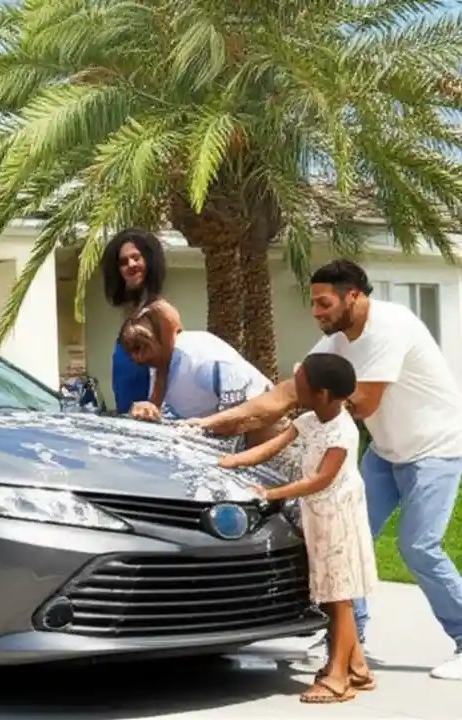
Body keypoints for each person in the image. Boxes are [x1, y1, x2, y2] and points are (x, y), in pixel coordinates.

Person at [191, 259, 462, 681]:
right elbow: (285, 393)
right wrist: (208, 423)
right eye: (313, 303)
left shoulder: (390, 327)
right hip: (388, 453)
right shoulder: (337, 341)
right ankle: (349, 639)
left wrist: (304, 401)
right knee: (349, 542)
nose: (316, 312)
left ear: (354, 295)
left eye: (324, 303)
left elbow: (363, 403)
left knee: (418, 547)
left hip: (435, 449)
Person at [219, 353, 377, 703]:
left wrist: (271, 493)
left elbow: (320, 480)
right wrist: (230, 462)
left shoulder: (342, 432)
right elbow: (269, 447)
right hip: (319, 516)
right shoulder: (310, 419)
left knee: (340, 599)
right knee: (331, 594)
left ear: (321, 393)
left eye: (301, 381)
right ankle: (358, 669)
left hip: (338, 516)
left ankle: (338, 678)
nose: (293, 386)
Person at [118, 309, 273, 434]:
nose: (136, 358)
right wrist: (148, 411)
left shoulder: (202, 358)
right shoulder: (160, 366)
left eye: (140, 348)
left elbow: (252, 414)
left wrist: (206, 426)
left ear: (162, 336)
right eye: (130, 352)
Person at [101, 228, 183, 415]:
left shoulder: (162, 312)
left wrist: (152, 412)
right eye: (123, 262)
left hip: (146, 423)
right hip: (128, 420)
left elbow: (165, 373)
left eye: (136, 257)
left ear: (149, 261)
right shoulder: (132, 317)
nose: (130, 265)